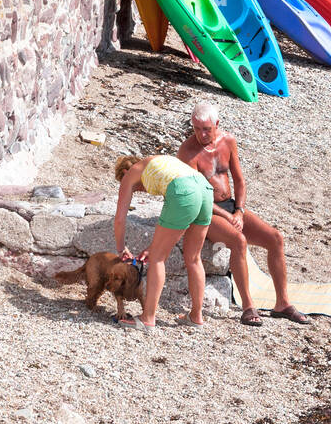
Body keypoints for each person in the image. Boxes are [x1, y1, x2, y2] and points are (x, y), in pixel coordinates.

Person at [178, 100, 308, 328]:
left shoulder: (227, 141)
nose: (201, 134)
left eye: (206, 129)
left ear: (217, 124)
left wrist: (238, 210)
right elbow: (200, 197)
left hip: (229, 206)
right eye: (197, 129)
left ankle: (282, 304)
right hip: (205, 212)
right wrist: (229, 217)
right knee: (239, 240)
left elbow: (239, 180)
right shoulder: (187, 152)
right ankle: (248, 307)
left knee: (275, 238)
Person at [112, 153, 214, 332]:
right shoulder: (159, 162)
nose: (140, 191)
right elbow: (175, 226)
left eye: (136, 190)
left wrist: (121, 249)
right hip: (204, 187)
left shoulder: (132, 173)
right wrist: (152, 247)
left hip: (183, 189)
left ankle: (147, 318)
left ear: (126, 171)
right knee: (194, 258)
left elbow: (120, 219)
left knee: (158, 259)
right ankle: (196, 316)